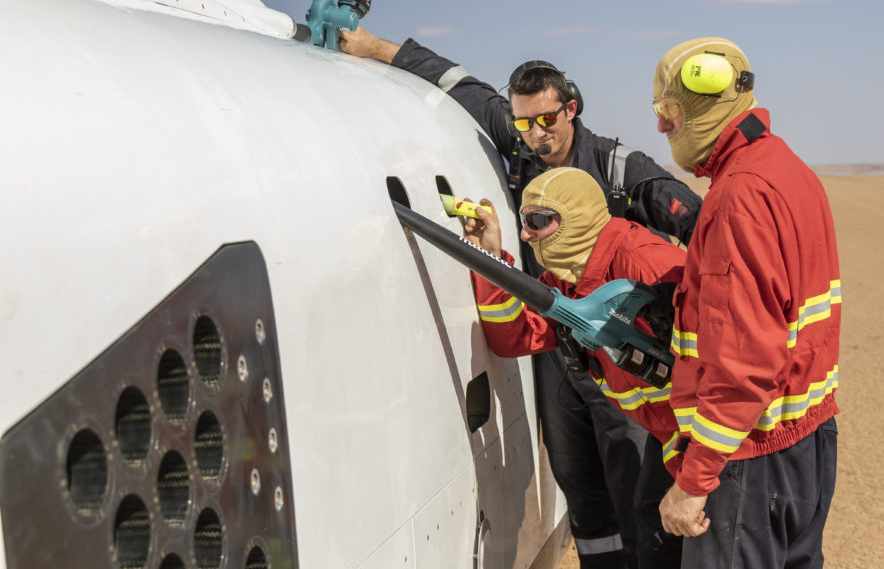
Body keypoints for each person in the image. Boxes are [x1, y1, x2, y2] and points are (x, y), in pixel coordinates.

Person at [341, 28, 703, 569]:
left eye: (547, 121)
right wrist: (372, 49)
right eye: (524, 122)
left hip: (627, 354)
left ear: (571, 109)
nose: (536, 134)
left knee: (637, 484)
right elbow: (455, 81)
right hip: (564, 346)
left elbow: (693, 222)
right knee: (577, 482)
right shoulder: (516, 146)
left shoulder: (614, 169)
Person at [651, 37, 841, 568]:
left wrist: (695, 481)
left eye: (669, 114)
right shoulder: (789, 169)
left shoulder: (738, 196)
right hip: (809, 441)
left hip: (749, 457)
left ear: (704, 110)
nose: (663, 129)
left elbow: (744, 359)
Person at [464, 167, 686, 569]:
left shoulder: (652, 267)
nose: (527, 234)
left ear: (578, 220)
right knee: (654, 538)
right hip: (668, 437)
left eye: (539, 221)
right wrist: (491, 259)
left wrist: (700, 472)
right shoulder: (567, 284)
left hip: (715, 440)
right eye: (523, 222)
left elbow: (729, 365)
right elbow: (514, 337)